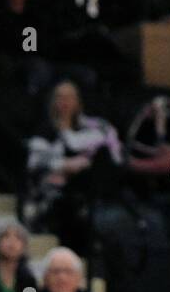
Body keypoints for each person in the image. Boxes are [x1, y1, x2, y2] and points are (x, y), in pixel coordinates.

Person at [25, 80, 125, 250]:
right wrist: (64, 164)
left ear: (78, 101)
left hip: (88, 191)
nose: (65, 102)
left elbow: (115, 157)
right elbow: (33, 162)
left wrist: (80, 164)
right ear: (53, 101)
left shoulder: (92, 126)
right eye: (60, 97)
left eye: (70, 97)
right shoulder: (45, 130)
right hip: (54, 196)